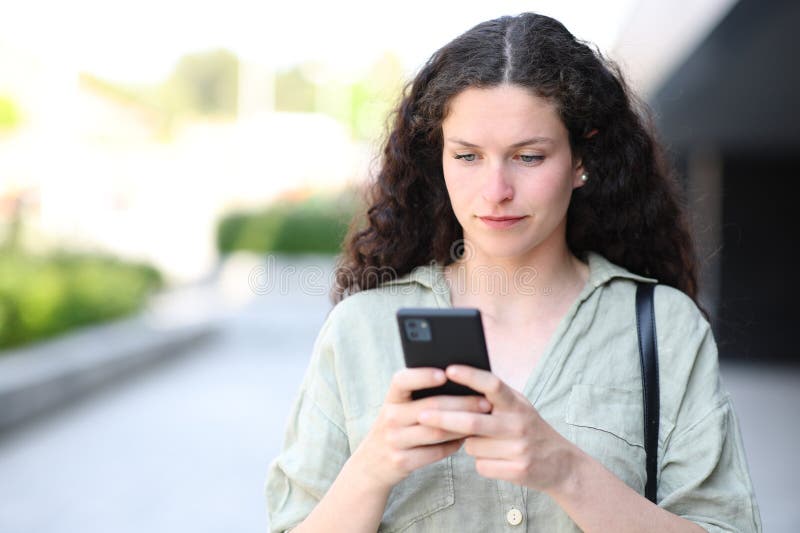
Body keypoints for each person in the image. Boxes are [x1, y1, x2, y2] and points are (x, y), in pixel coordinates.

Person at [266, 12, 761, 533]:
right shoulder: (360, 329)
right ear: (439, 158)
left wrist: (566, 471)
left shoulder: (664, 327)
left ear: (581, 159)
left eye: (528, 157)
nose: (495, 191)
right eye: (467, 156)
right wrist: (370, 471)